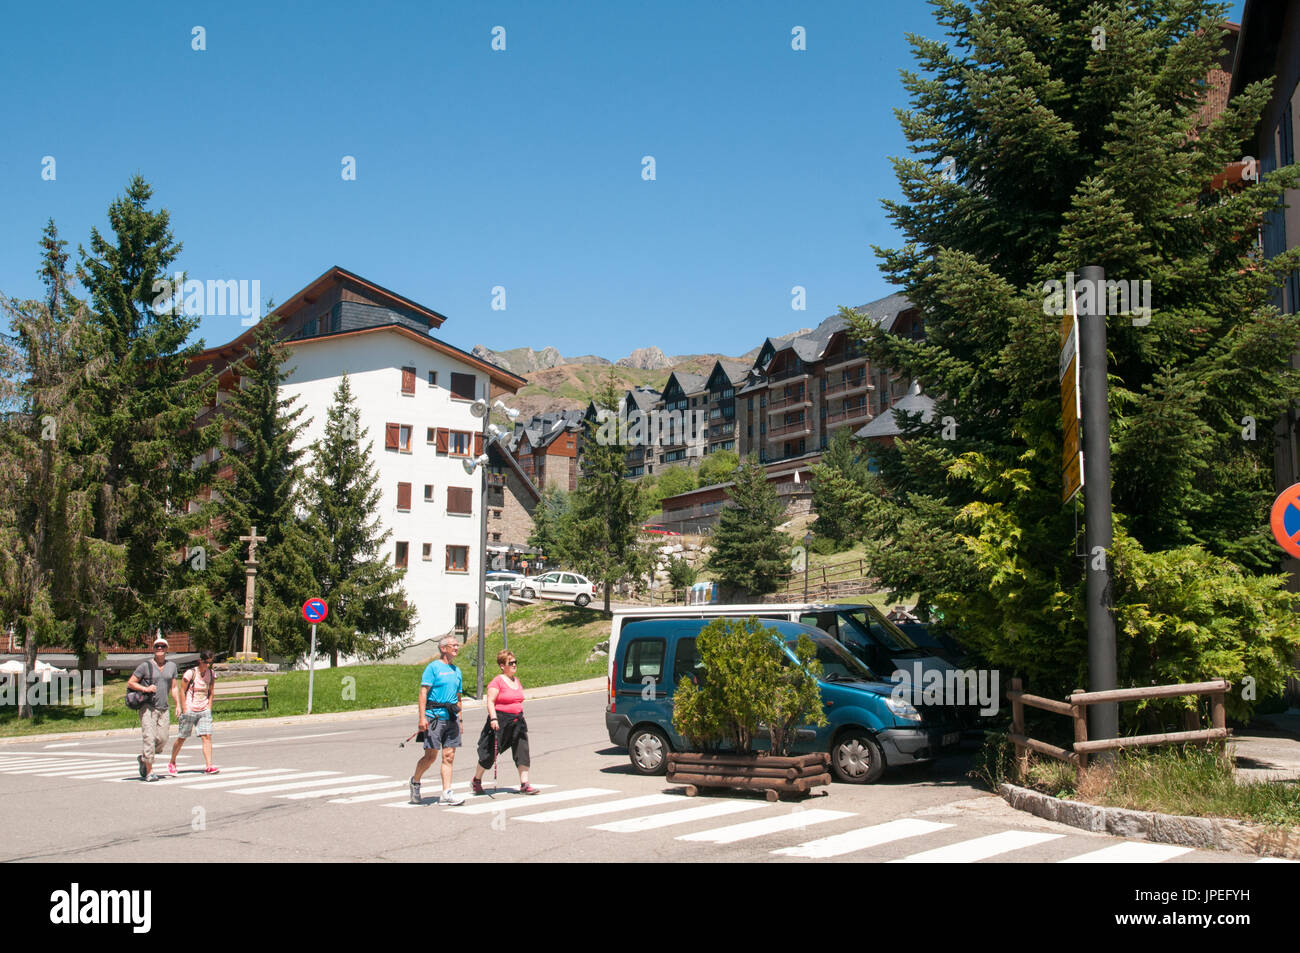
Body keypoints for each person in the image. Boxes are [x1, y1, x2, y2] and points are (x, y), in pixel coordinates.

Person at [472, 650, 538, 795]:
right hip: (500, 720)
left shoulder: (516, 680)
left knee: (522, 750)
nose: (514, 665)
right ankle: (477, 780)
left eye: (515, 662)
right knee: (489, 753)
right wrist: (493, 718)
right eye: (511, 663)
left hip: (517, 721)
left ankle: (524, 783)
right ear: (502, 666)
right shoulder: (497, 682)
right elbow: (490, 701)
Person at [411, 636, 465, 806]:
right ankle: (415, 781)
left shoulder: (457, 671)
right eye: (453, 645)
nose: (456, 647)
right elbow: (423, 693)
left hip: (451, 719)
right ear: (443, 648)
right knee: (430, 756)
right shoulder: (433, 668)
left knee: (448, 756)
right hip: (434, 717)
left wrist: (460, 720)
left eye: (457, 645)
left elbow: (458, 697)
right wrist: (422, 718)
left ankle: (446, 793)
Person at [126, 636, 182, 782]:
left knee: (163, 739)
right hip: (148, 708)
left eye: (162, 646)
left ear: (167, 649)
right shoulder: (145, 666)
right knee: (149, 738)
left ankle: (144, 758)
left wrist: (178, 705)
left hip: (164, 708)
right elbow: (131, 683)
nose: (160, 649)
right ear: (153, 649)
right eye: (157, 646)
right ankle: (149, 772)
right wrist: (145, 688)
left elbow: (174, 687)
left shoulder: (172, 666)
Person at [169, 650, 219, 775]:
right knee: (182, 737)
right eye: (206, 662)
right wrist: (183, 708)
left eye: (210, 663)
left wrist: (209, 707)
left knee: (206, 736)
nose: (208, 665)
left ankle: (209, 765)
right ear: (200, 661)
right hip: (190, 708)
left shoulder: (211, 674)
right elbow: (181, 690)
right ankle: (172, 761)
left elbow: (211, 692)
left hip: (204, 709)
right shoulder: (190, 673)